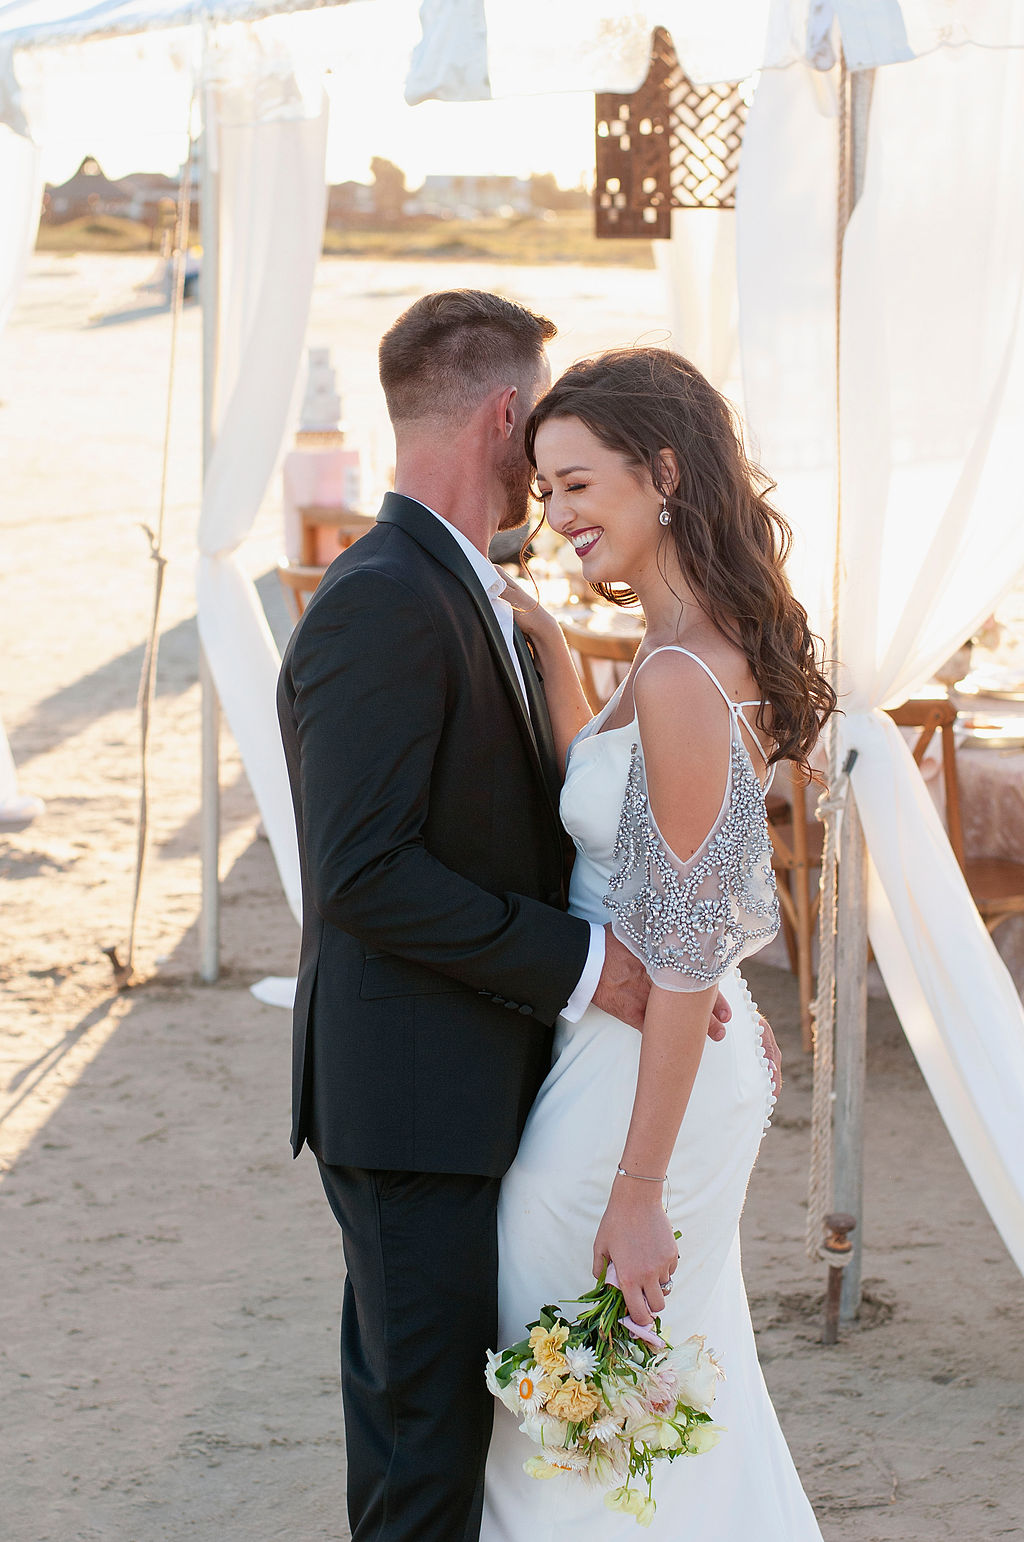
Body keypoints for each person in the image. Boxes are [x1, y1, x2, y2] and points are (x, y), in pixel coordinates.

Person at [276, 291, 740, 1542]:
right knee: (425, 1445)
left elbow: (522, 824)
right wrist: (598, 967)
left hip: (484, 1086)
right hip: (415, 1100)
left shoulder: (466, 593)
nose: (547, 488)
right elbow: (364, 870)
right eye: (536, 438)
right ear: (501, 415)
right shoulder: (381, 596)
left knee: (459, 1436)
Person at [481, 346, 835, 1540]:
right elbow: (620, 810)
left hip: (640, 1089)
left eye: (579, 483)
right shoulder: (683, 642)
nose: (559, 515)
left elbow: (682, 953)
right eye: (545, 492)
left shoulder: (686, 672)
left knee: (578, 1404)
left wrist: (639, 1191)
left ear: (665, 471)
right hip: (656, 1063)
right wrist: (548, 650)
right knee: (642, 1396)